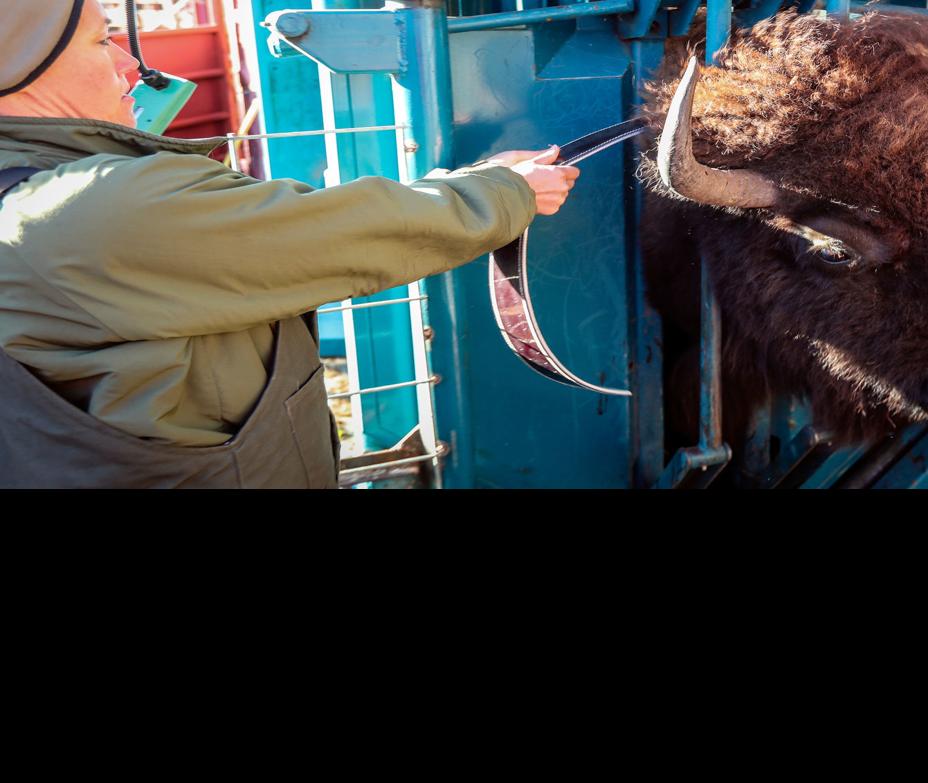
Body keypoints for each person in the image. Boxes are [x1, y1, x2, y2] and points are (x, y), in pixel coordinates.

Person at [0, 0, 580, 488]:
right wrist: (506, 191)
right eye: (102, 40)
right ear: (20, 65)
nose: (131, 65)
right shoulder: (76, 208)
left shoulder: (35, 190)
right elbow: (341, 234)